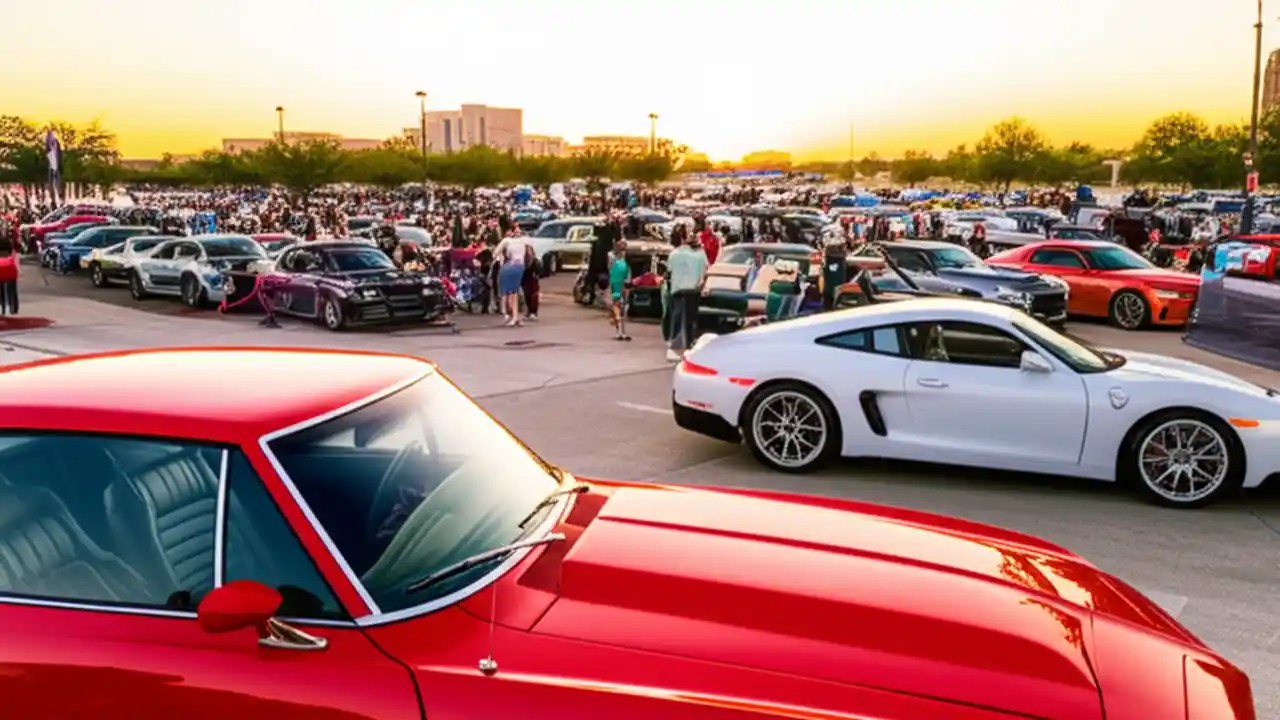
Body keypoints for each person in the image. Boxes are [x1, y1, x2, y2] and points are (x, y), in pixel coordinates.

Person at [665, 232, 708, 362]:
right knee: (690, 319)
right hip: (693, 290)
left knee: (676, 318)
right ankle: (689, 346)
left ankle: (674, 346)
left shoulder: (674, 254)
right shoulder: (701, 255)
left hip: (677, 290)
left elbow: (669, 272)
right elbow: (706, 272)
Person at [493, 232, 530, 326]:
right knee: (515, 292)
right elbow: (528, 254)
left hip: (510, 266)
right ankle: (516, 315)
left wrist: (502, 256)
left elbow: (495, 253)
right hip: (520, 267)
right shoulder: (524, 241)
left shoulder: (506, 241)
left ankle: (510, 315)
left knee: (508, 292)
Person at [608, 240, 631, 341]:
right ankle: (619, 332)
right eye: (622, 249)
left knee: (623, 306)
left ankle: (622, 331)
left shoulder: (623, 260)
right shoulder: (613, 258)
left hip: (622, 283)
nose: (624, 252)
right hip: (617, 284)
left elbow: (627, 272)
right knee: (618, 305)